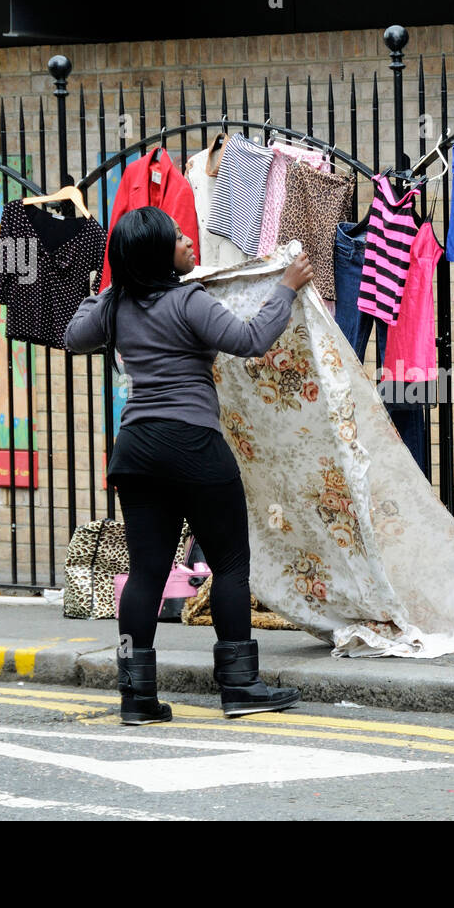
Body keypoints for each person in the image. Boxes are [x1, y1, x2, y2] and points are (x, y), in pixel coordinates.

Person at [65, 206, 315, 723]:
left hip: (135, 451)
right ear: (160, 254)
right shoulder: (188, 299)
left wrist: (104, 287)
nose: (188, 240)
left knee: (145, 575)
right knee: (228, 563)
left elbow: (73, 337)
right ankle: (240, 686)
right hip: (194, 443)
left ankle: (135, 697)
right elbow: (249, 341)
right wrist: (286, 288)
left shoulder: (116, 307)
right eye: (178, 237)